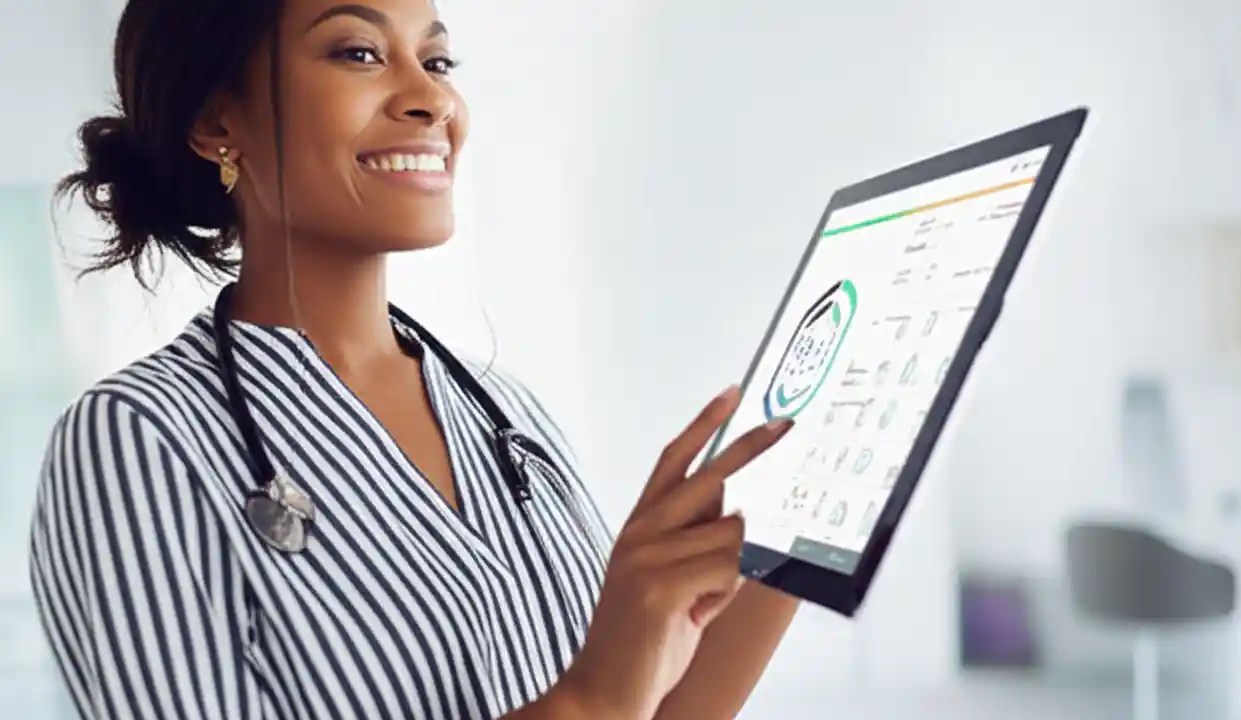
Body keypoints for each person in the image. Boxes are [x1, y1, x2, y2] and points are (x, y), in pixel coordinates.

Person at [28, 1, 802, 718]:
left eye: (436, 63)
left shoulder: (502, 412)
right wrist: (591, 695)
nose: (431, 99)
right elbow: (599, 704)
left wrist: (797, 541)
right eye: (360, 52)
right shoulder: (136, 439)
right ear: (214, 119)